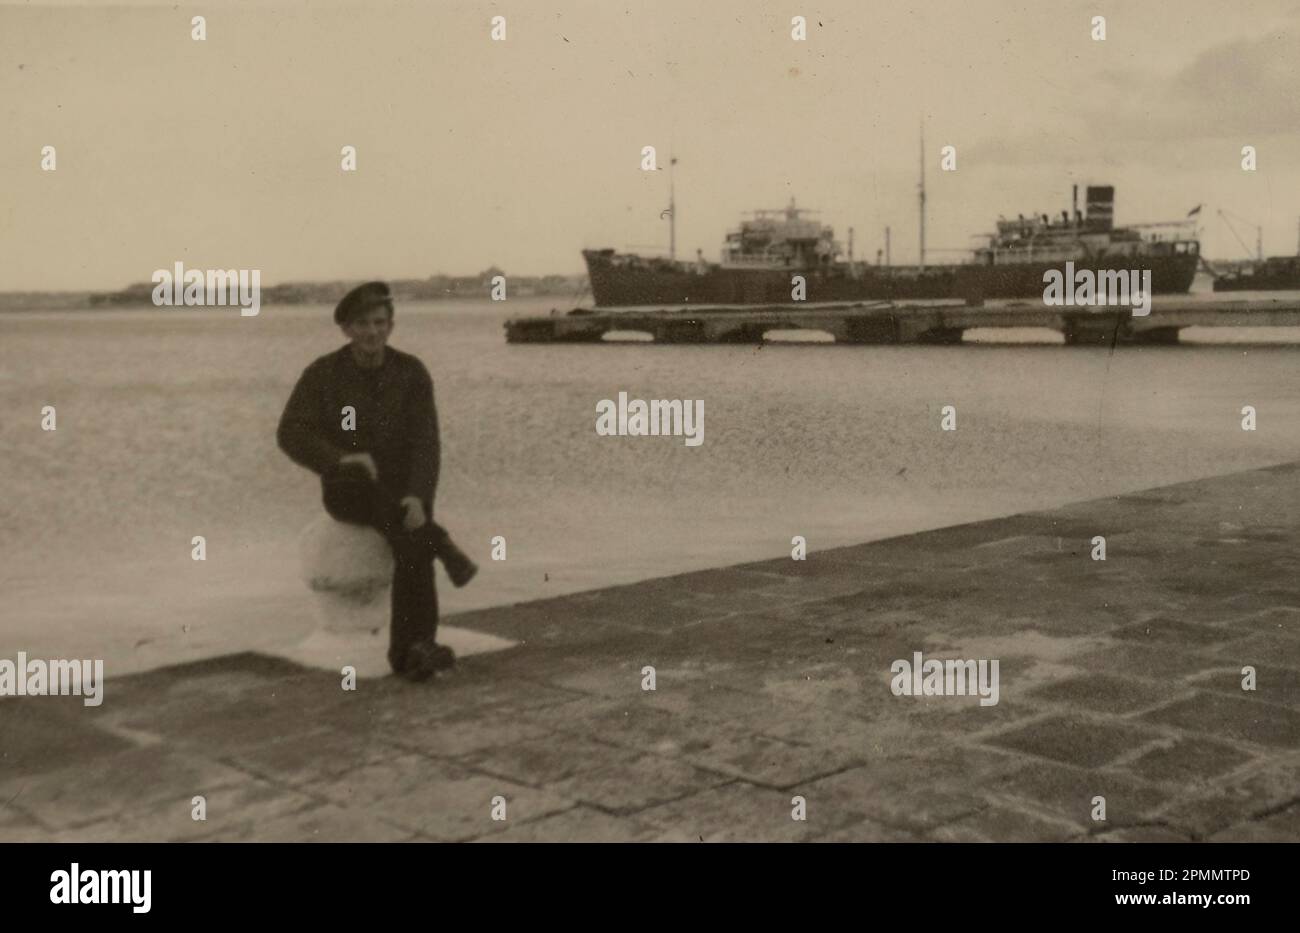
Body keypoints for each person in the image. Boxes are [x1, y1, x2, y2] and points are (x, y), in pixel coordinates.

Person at [277, 281, 476, 681]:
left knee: (411, 532)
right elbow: (290, 433)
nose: (372, 332)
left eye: (380, 322)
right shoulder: (323, 374)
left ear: (391, 325)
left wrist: (420, 497)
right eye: (362, 324)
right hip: (349, 489)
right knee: (408, 527)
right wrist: (339, 457)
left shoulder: (411, 372)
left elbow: (426, 443)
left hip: (403, 492)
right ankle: (419, 634)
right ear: (346, 329)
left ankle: (415, 647)